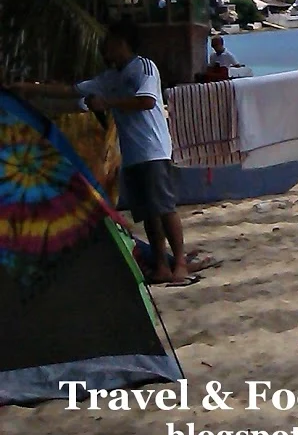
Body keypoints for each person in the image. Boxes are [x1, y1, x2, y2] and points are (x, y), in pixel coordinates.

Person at [14, 24, 190, 283]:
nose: (104, 49)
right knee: (149, 213)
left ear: (121, 42)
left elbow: (147, 101)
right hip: (132, 154)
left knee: (164, 208)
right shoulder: (109, 78)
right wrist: (28, 88)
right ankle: (162, 265)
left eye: (108, 43)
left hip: (153, 149)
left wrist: (107, 103)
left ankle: (181, 263)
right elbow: (71, 90)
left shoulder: (143, 67)